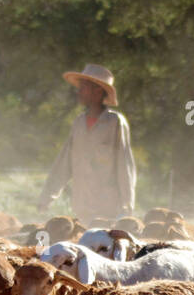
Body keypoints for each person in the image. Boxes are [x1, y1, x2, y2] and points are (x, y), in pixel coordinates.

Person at [38, 63, 136, 222]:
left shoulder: (115, 123)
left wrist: (127, 206)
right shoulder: (78, 124)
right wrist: (46, 198)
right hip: (82, 207)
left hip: (108, 210)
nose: (79, 91)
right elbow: (64, 163)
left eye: (83, 87)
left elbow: (125, 165)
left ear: (97, 91)